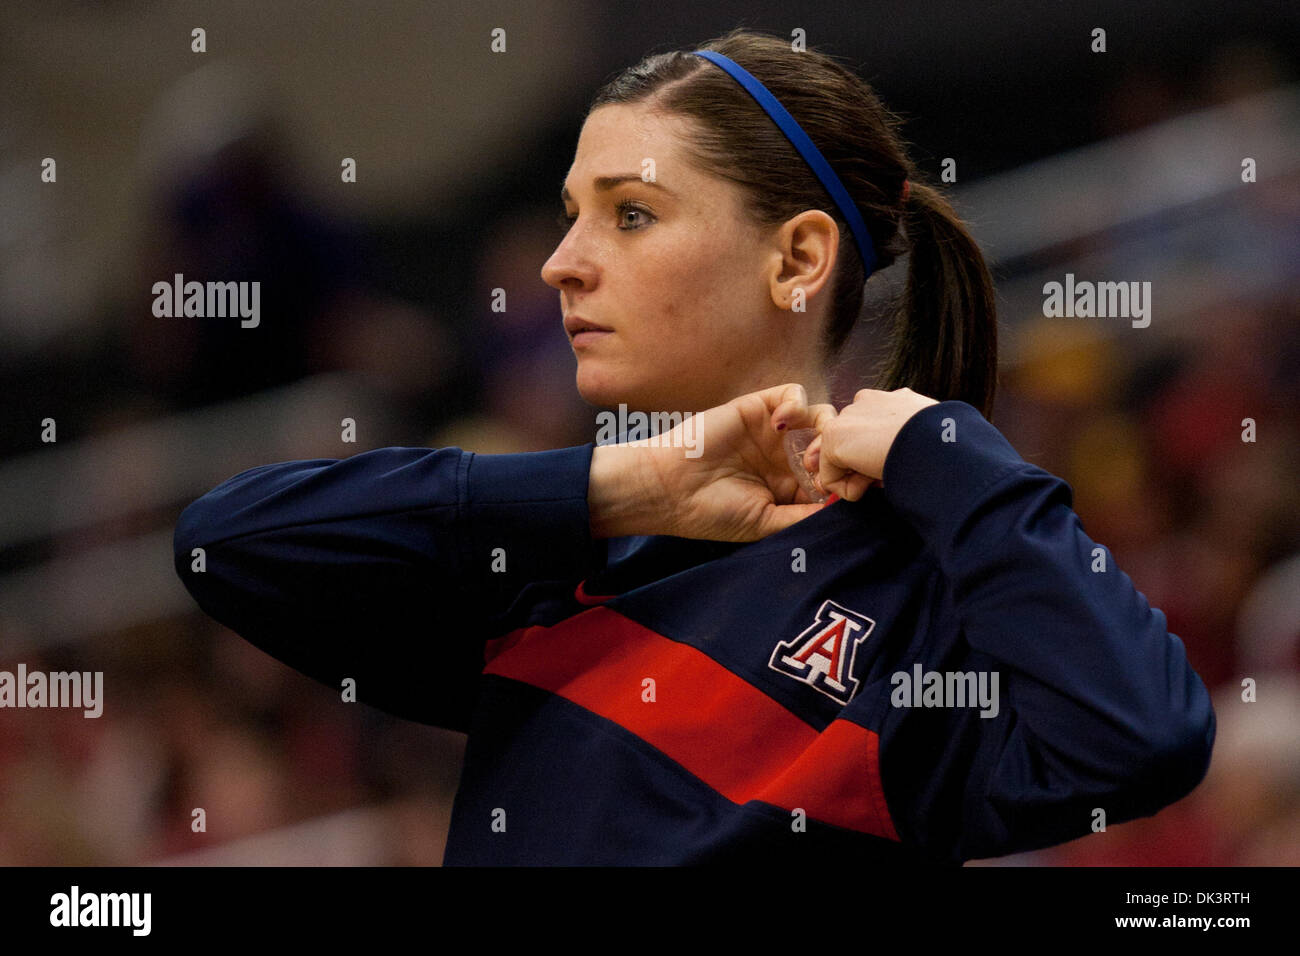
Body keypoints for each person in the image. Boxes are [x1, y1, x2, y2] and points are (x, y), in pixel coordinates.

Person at [173, 28, 1215, 865]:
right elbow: (229, 541)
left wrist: (942, 444)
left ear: (797, 257)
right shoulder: (555, 560)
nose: (559, 265)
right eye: (568, 216)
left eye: (629, 214)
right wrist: (629, 482)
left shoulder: (924, 591)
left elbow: (1142, 735)